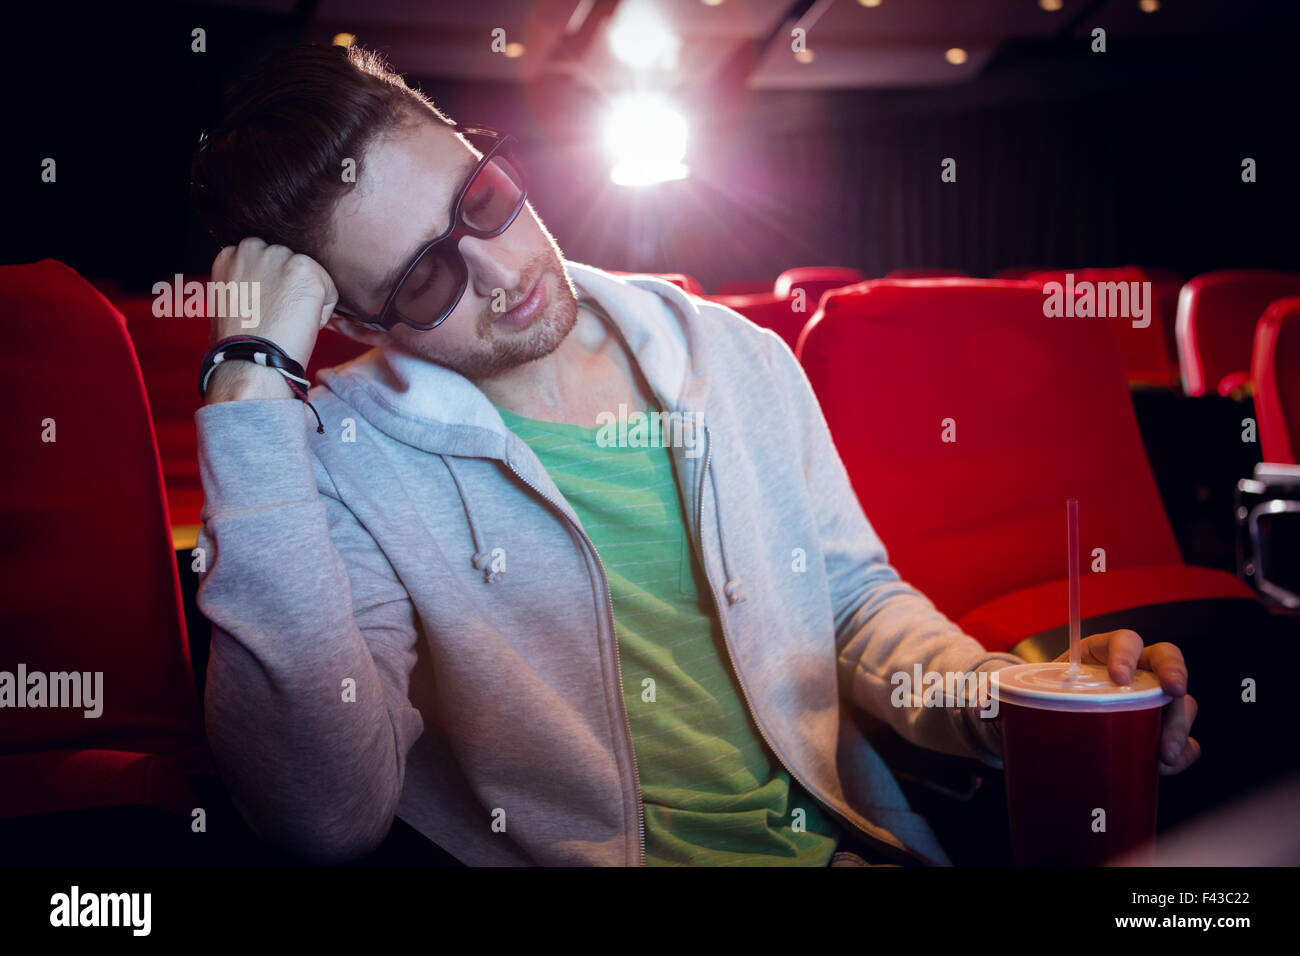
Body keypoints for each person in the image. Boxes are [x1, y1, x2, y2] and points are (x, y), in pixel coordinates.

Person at [188, 42, 1199, 867]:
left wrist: (1004, 698)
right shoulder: (343, 458)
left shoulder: (736, 356)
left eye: (483, 199)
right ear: (358, 320)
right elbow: (323, 816)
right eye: (423, 279)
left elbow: (850, 604)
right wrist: (246, 392)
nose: (501, 271)